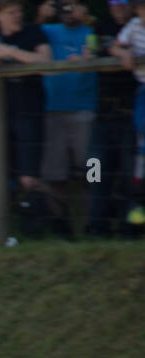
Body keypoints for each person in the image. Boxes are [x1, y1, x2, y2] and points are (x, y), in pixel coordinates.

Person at [0, 0, 51, 235]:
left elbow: (45, 62)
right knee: (5, 174)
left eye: (20, 10)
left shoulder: (33, 32)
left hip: (31, 111)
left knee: (30, 176)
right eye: (11, 12)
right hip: (2, 114)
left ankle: (44, 226)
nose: (17, 15)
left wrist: (10, 52)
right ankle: (7, 230)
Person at [39, 0, 100, 235]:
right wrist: (41, 17)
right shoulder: (49, 31)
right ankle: (60, 227)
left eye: (73, 5)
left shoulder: (92, 32)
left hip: (85, 110)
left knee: (92, 171)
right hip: (54, 110)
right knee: (54, 174)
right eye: (64, 6)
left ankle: (94, 222)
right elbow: (27, 36)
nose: (68, 11)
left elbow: (97, 52)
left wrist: (89, 57)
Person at [90, 0, 140, 234]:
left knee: (128, 173)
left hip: (129, 117)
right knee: (95, 172)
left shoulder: (138, 27)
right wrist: (118, 53)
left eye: (123, 4)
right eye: (113, 4)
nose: (118, 9)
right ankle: (96, 224)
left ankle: (129, 227)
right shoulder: (101, 27)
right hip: (101, 117)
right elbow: (96, 56)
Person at [111, 0, 145, 224]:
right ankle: (137, 198)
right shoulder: (133, 27)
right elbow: (114, 46)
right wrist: (123, 53)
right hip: (107, 116)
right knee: (94, 169)